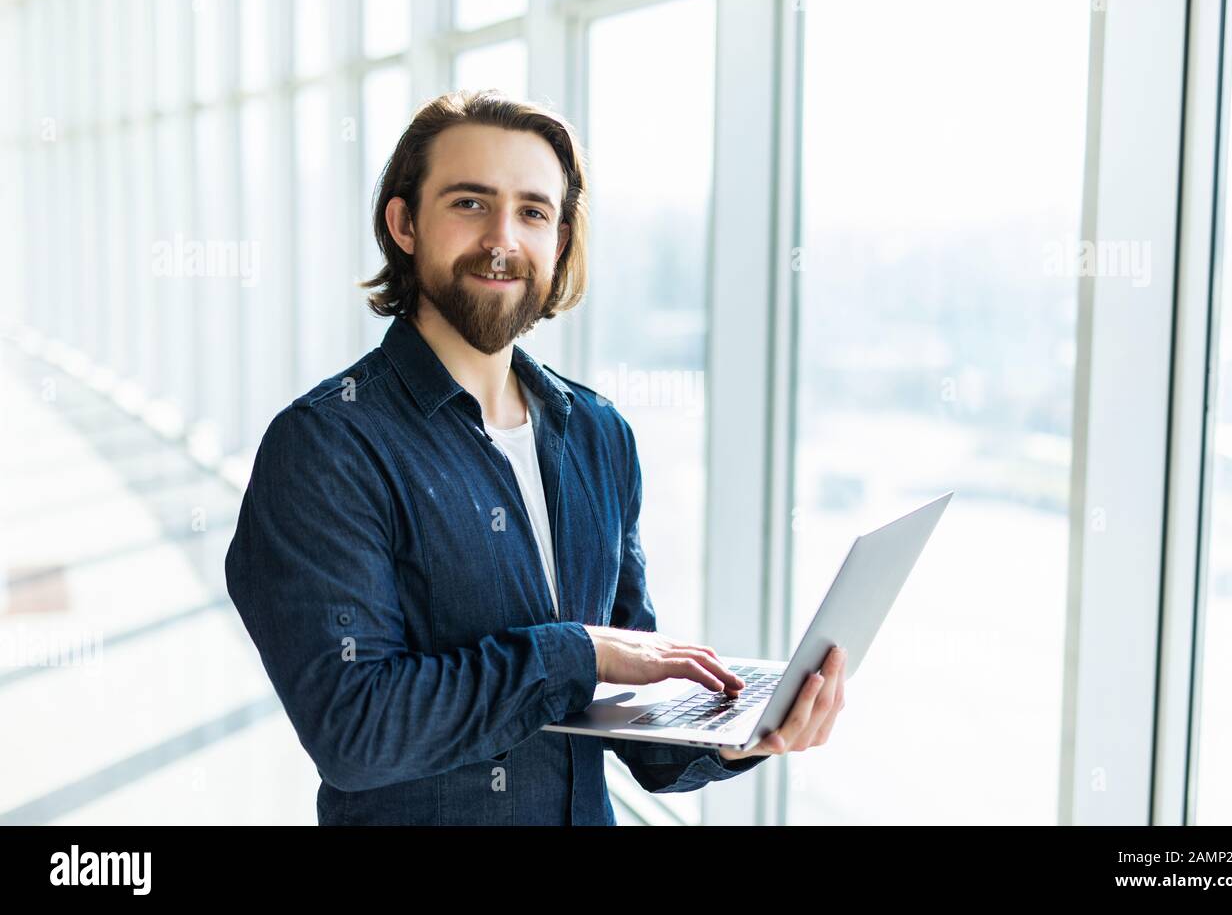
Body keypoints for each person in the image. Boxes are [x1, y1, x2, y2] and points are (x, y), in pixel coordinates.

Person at [224, 89, 846, 825]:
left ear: (559, 241)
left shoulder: (597, 434)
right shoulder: (327, 447)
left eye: (532, 212)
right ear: (404, 224)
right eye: (468, 204)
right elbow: (357, 730)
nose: (502, 239)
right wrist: (571, 654)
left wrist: (748, 728)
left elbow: (629, 710)